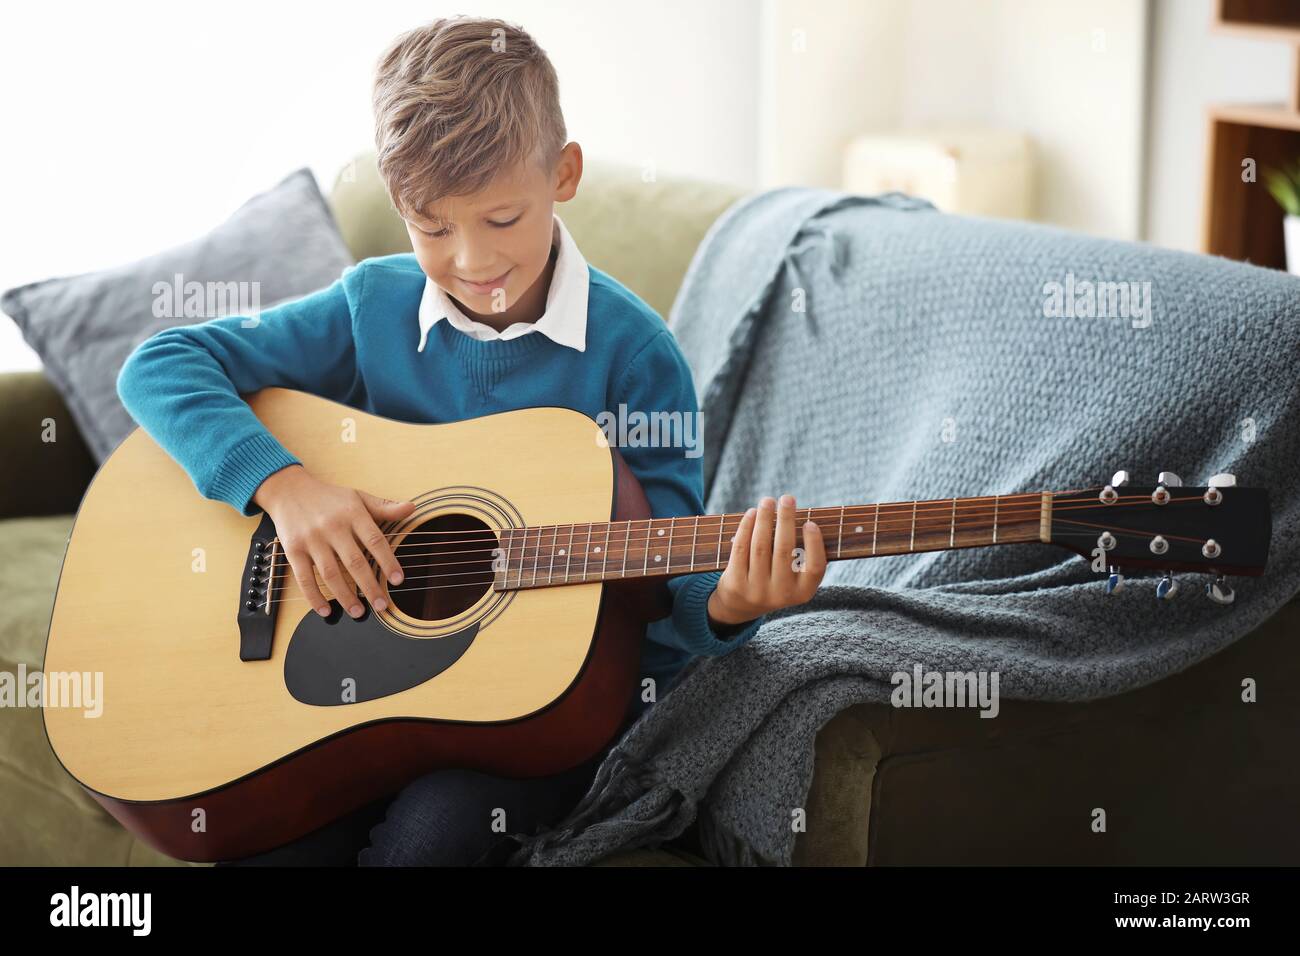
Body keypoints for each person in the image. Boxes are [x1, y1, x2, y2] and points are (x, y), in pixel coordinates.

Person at [117, 15, 827, 866]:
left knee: (436, 840)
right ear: (396, 203)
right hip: (362, 680)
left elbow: (662, 584)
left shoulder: (636, 358)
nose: (470, 261)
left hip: (536, 711)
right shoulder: (371, 305)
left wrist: (728, 602)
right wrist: (284, 485)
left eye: (500, 218)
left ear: (564, 173)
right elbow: (161, 364)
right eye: (432, 226)